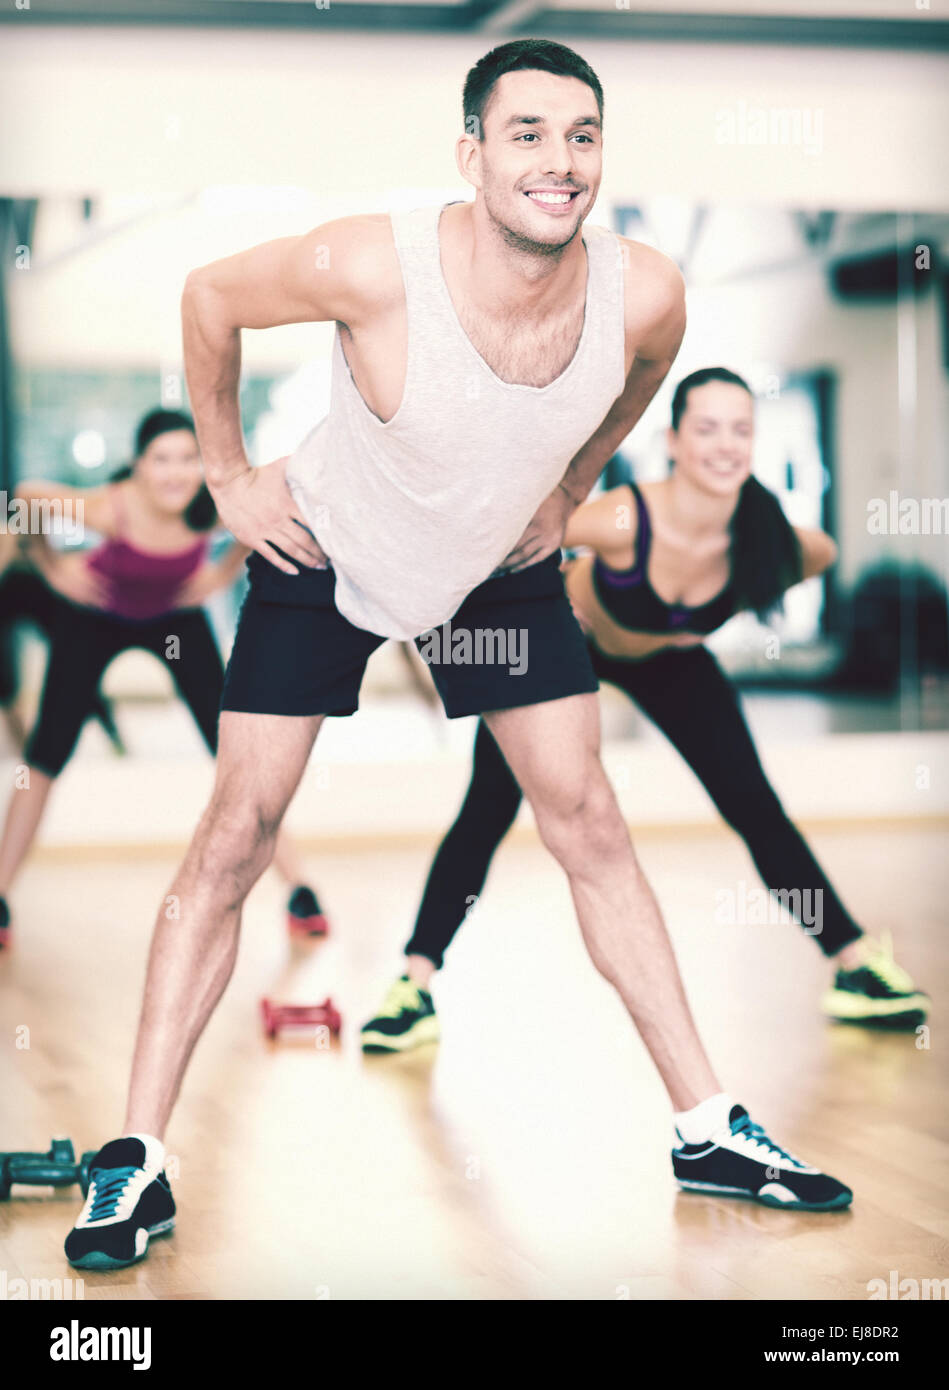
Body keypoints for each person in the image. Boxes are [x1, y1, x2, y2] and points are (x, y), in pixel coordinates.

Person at [65, 40, 854, 1274]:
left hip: (495, 563)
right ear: (471, 154)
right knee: (237, 834)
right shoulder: (372, 264)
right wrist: (224, 475)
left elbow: (645, 372)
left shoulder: (644, 291)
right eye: (527, 133)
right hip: (320, 552)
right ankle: (137, 1157)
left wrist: (574, 482)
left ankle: (707, 1126)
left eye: (582, 135)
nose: (559, 161)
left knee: (587, 819)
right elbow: (210, 296)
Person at [361, 367, 929, 1053]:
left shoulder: (765, 533)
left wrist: (704, 619)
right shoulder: (627, 518)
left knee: (753, 805)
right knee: (488, 807)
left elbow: (821, 552)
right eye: (707, 429)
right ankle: (413, 986)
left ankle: (853, 965)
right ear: (674, 441)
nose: (725, 445)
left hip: (668, 659)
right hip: (566, 646)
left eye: (740, 430)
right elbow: (512, 538)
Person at [0, 408, 327, 951]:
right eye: (161, 460)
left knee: (236, 753)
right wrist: (54, 569)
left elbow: (268, 515)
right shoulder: (110, 506)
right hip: (96, 616)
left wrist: (221, 574)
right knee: (47, 752)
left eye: (187, 459)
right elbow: (27, 497)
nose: (175, 473)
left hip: (175, 617)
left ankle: (300, 891)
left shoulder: (212, 507)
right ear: (138, 465)